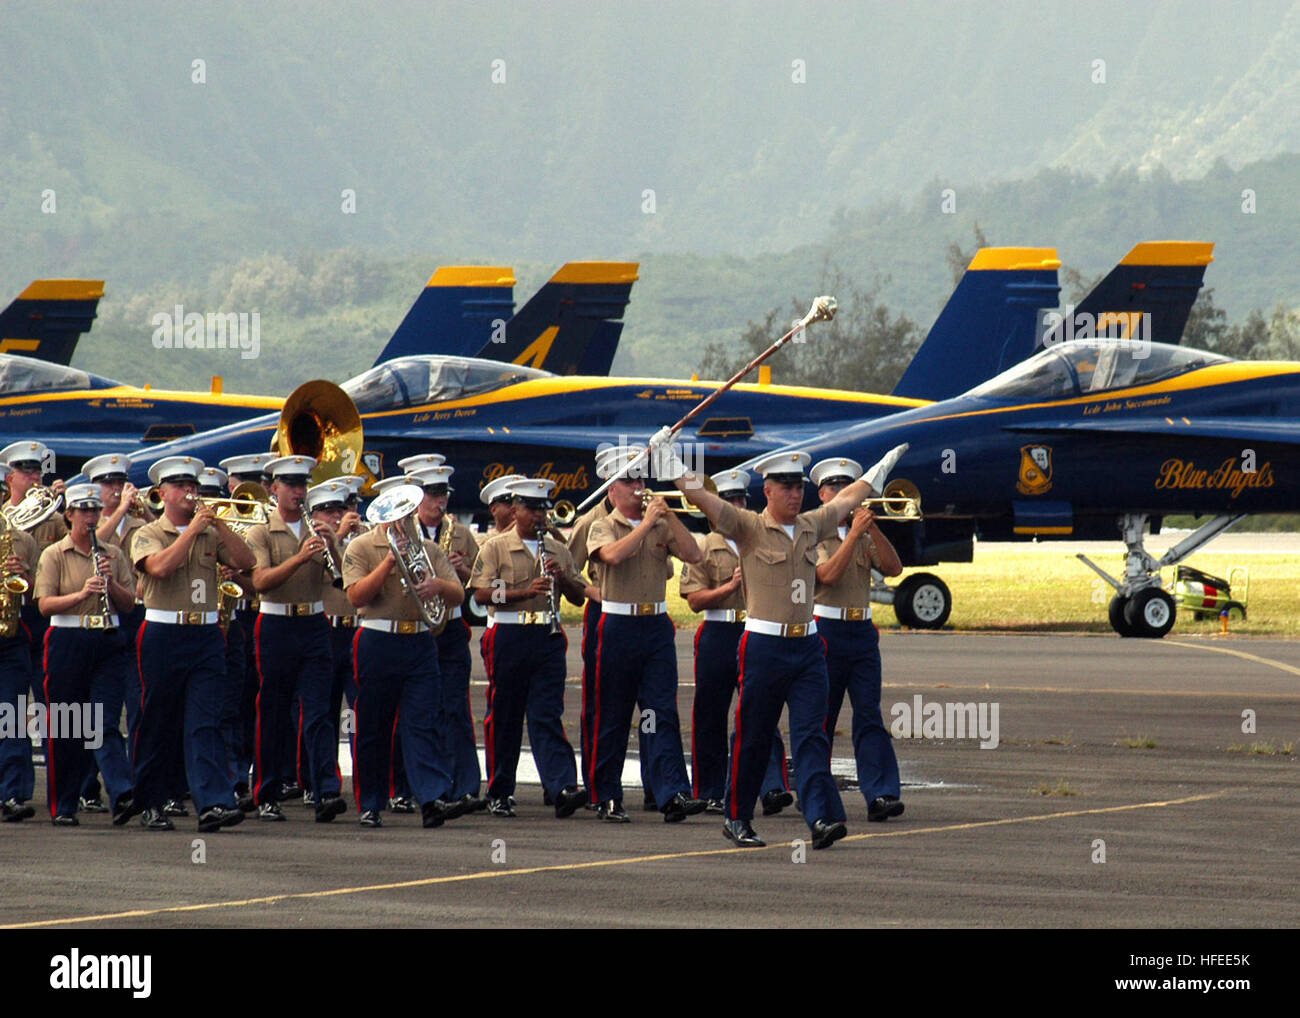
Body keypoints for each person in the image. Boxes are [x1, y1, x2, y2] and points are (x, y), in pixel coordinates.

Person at [669, 445, 906, 848]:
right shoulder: (747, 527)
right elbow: (701, 497)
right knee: (754, 735)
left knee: (811, 735)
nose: (795, 494)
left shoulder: (814, 524)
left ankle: (821, 819)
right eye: (786, 486)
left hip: (809, 647)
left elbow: (850, 496)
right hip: (763, 646)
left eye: (799, 486)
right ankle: (737, 816)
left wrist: (882, 467)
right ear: (768, 489)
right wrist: (670, 464)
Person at [126, 455, 255, 832]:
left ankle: (213, 802)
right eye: (181, 486)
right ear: (162, 493)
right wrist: (193, 530)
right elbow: (161, 568)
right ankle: (150, 800)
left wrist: (220, 525)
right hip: (163, 634)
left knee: (205, 720)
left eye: (193, 486)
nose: (189, 493)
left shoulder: (211, 533)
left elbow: (247, 561)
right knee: (159, 720)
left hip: (206, 634)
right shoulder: (148, 533)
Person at [585, 445, 706, 824]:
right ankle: (606, 795)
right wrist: (644, 525)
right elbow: (614, 556)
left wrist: (669, 517)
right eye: (628, 480)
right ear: (611, 491)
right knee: (614, 714)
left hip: (655, 626)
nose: (638, 487)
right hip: (618, 625)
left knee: (660, 711)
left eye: (640, 479)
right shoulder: (602, 525)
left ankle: (672, 793)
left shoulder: (658, 521)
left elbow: (693, 555)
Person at [342, 484, 464, 829]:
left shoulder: (428, 549)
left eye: (408, 514)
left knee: (421, 723)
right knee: (373, 726)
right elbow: (356, 596)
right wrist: (388, 564)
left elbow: (458, 594)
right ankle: (371, 803)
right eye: (398, 515)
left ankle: (432, 798)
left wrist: (437, 586)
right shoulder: (362, 546)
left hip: (420, 642)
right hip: (377, 640)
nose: (404, 520)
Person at [469, 478, 587, 818]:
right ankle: (500, 790)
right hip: (508, 637)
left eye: (542, 509)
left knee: (546, 714)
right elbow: (479, 595)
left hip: (546, 639)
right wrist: (523, 592)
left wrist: (562, 578)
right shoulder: (495, 547)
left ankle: (562, 786)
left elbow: (578, 596)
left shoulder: (556, 548)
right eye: (531, 509)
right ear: (515, 509)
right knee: (506, 716)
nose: (538, 516)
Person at [678, 468, 791, 815]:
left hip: (756, 630)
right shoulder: (704, 547)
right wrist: (730, 586)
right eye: (728, 500)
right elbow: (694, 600)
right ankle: (710, 789)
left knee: (762, 710)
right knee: (710, 713)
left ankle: (773, 787)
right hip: (719, 633)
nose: (736, 505)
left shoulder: (759, 539)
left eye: (741, 499)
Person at [245, 455, 347, 823]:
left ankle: (326, 791)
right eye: (290, 485)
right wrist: (301, 558)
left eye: (302, 486)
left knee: (319, 712)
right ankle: (267, 792)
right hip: (276, 625)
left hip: (315, 624)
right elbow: (260, 582)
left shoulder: (316, 529)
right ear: (274, 488)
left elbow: (342, 581)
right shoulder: (261, 531)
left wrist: (333, 547)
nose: (298, 493)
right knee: (273, 711)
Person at [34, 483, 136, 825]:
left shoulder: (112, 554)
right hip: (67, 639)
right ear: (70, 515)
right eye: (84, 512)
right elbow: (45, 605)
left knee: (105, 721)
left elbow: (129, 603)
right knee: (67, 724)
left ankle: (122, 794)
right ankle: (64, 804)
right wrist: (81, 594)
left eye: (95, 511)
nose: (91, 518)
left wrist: (112, 585)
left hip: (107, 639)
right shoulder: (54, 554)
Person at [811, 457, 906, 822]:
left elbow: (894, 568)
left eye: (849, 489)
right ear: (823, 494)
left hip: (862, 633)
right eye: (836, 489)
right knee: (821, 717)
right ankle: (814, 790)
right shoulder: (813, 532)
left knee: (869, 714)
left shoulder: (863, 531)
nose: (844, 496)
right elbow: (828, 576)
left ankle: (880, 794)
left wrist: (872, 529)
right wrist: (852, 534)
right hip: (826, 632)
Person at [409, 463, 485, 813]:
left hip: (451, 626)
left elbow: (484, 587)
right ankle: (418, 786)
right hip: (417, 627)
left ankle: (466, 786)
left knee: (456, 708)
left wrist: (464, 570)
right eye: (433, 495)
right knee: (419, 711)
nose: (440, 502)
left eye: (444, 495)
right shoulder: (403, 529)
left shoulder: (461, 532)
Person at [0, 463, 39, 822]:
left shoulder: (21, 538)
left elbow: (39, 594)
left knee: (11, 716)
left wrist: (23, 578)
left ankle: (12, 793)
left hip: (10, 638)